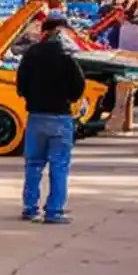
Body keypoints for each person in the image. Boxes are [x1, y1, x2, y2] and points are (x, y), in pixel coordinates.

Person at [15, 15, 86, 224]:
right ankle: (54, 211)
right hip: (60, 118)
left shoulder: (31, 55)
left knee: (33, 164)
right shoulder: (67, 56)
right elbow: (78, 87)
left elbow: (21, 85)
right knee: (59, 165)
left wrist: (32, 97)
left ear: (43, 32)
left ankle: (30, 208)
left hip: (36, 117)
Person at [108, 12, 138, 133]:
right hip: (136, 64)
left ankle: (119, 123)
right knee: (130, 94)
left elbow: (112, 44)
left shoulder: (121, 29)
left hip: (122, 63)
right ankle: (126, 123)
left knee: (121, 94)